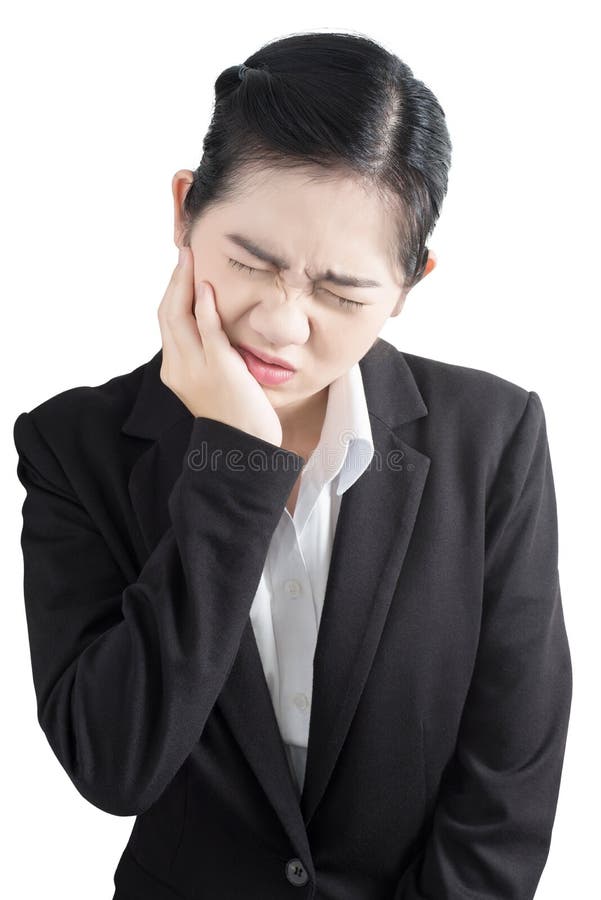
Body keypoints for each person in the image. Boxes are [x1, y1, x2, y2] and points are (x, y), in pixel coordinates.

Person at [13, 30, 572, 900]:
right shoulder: (72, 447)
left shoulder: (492, 438)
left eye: (341, 293)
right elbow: (114, 765)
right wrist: (232, 463)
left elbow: (506, 785)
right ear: (184, 210)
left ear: (409, 283)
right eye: (249, 261)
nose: (281, 323)